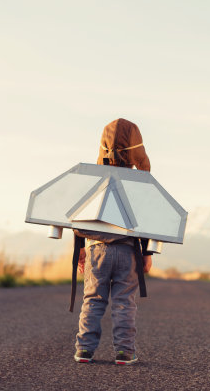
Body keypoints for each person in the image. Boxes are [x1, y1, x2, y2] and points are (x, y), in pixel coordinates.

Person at [74, 118, 153, 365]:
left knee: (93, 300)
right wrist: (147, 253)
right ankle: (124, 352)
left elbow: (81, 217)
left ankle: (84, 351)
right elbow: (146, 220)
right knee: (124, 303)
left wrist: (80, 250)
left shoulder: (95, 180)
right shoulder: (138, 183)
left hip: (96, 249)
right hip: (127, 251)